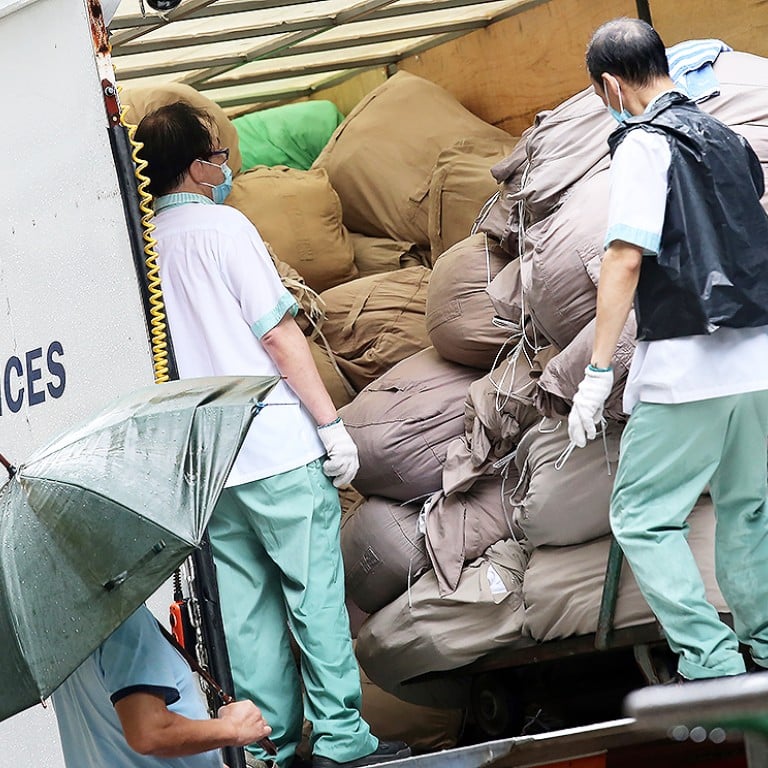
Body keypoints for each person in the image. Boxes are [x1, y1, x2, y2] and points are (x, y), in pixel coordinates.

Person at [134, 102, 410, 768]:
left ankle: (268, 751)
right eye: (219, 156)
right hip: (275, 447)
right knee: (314, 597)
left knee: (246, 616)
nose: (225, 168)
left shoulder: (140, 244)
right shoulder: (224, 227)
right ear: (200, 166)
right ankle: (342, 738)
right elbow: (280, 335)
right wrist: (330, 425)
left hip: (205, 467)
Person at [569, 17, 768, 682]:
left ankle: (709, 662)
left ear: (609, 84)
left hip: (690, 364)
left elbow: (625, 256)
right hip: (760, 358)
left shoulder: (642, 145)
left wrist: (598, 371)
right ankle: (765, 642)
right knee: (750, 502)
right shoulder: (728, 136)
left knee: (643, 515)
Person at [51, 603, 272, 768]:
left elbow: (113, 735)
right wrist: (232, 728)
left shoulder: (58, 623)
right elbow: (150, 732)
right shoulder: (124, 619)